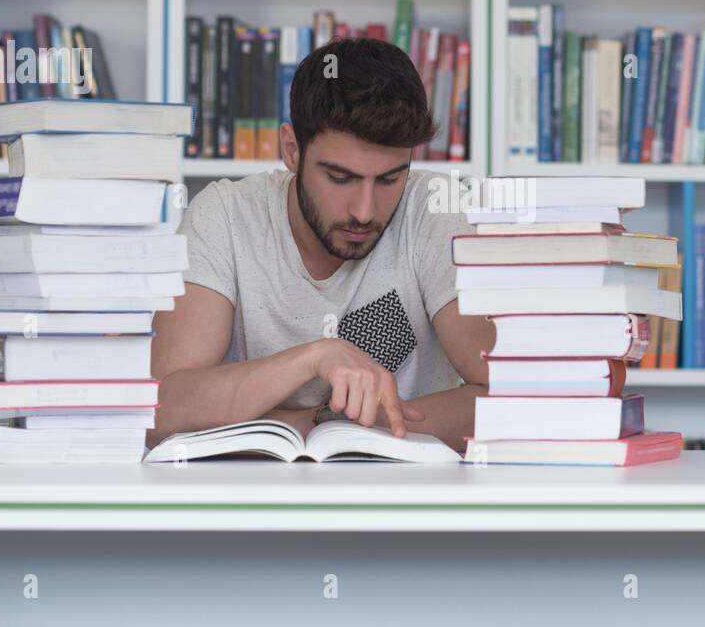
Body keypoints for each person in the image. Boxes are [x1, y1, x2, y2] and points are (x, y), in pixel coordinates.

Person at [150, 36, 492, 452]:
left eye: (389, 179)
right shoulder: (224, 215)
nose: (365, 211)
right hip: (247, 497)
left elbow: (514, 396)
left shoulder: (435, 210)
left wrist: (324, 423)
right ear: (292, 150)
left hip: (408, 501)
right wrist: (315, 358)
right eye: (340, 178)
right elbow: (159, 408)